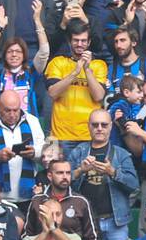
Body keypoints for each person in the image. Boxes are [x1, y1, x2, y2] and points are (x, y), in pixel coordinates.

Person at [66, 109, 141, 240]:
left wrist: (112, 172)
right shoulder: (78, 152)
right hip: (86, 224)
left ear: (110, 127)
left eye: (104, 125)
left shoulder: (121, 154)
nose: (99, 128)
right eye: (95, 125)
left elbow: (134, 185)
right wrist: (79, 171)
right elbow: (64, 185)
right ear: (89, 127)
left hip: (115, 221)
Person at [0, 89, 47, 208]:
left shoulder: (32, 121)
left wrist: (34, 153)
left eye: (16, 110)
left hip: (30, 194)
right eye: (7, 110)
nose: (12, 114)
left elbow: (45, 154)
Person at [44, 20, 108, 151]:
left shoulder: (99, 65)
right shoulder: (57, 62)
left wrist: (87, 70)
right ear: (69, 41)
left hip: (89, 135)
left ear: (89, 42)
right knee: (62, 172)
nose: (80, 44)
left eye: (84, 41)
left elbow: (99, 96)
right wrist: (75, 72)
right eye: (76, 40)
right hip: (62, 135)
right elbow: (52, 93)